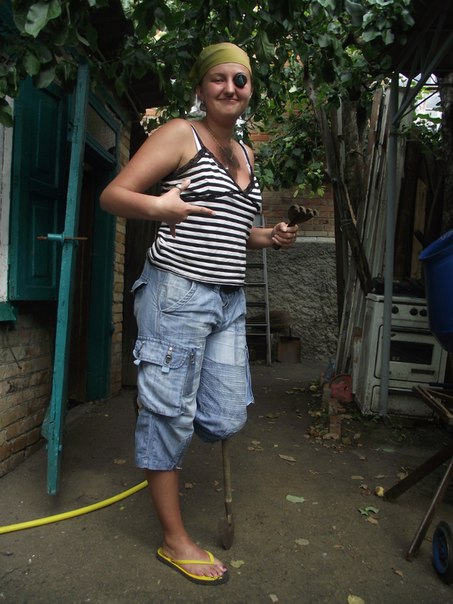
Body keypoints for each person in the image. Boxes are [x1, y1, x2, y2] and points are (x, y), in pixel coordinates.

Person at [100, 42, 299, 586]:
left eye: (241, 79)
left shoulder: (247, 154)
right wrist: (158, 206)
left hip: (228, 301)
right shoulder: (178, 136)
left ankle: (159, 403)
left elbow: (232, 229)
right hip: (178, 292)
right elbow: (113, 195)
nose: (231, 87)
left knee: (226, 415)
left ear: (249, 89)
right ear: (201, 88)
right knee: (169, 415)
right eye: (219, 79)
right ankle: (174, 539)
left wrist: (269, 236)